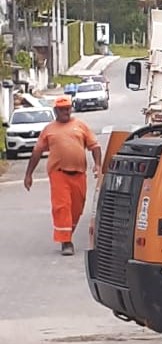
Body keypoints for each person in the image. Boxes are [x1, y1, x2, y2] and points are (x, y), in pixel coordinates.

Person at [24, 95, 102, 256]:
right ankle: (66, 242)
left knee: (77, 208)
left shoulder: (80, 126)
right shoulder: (49, 129)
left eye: (68, 108)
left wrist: (98, 165)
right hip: (58, 173)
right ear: (56, 111)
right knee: (62, 207)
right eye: (62, 109)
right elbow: (37, 152)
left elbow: (94, 146)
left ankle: (67, 232)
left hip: (79, 173)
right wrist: (28, 175)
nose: (66, 111)